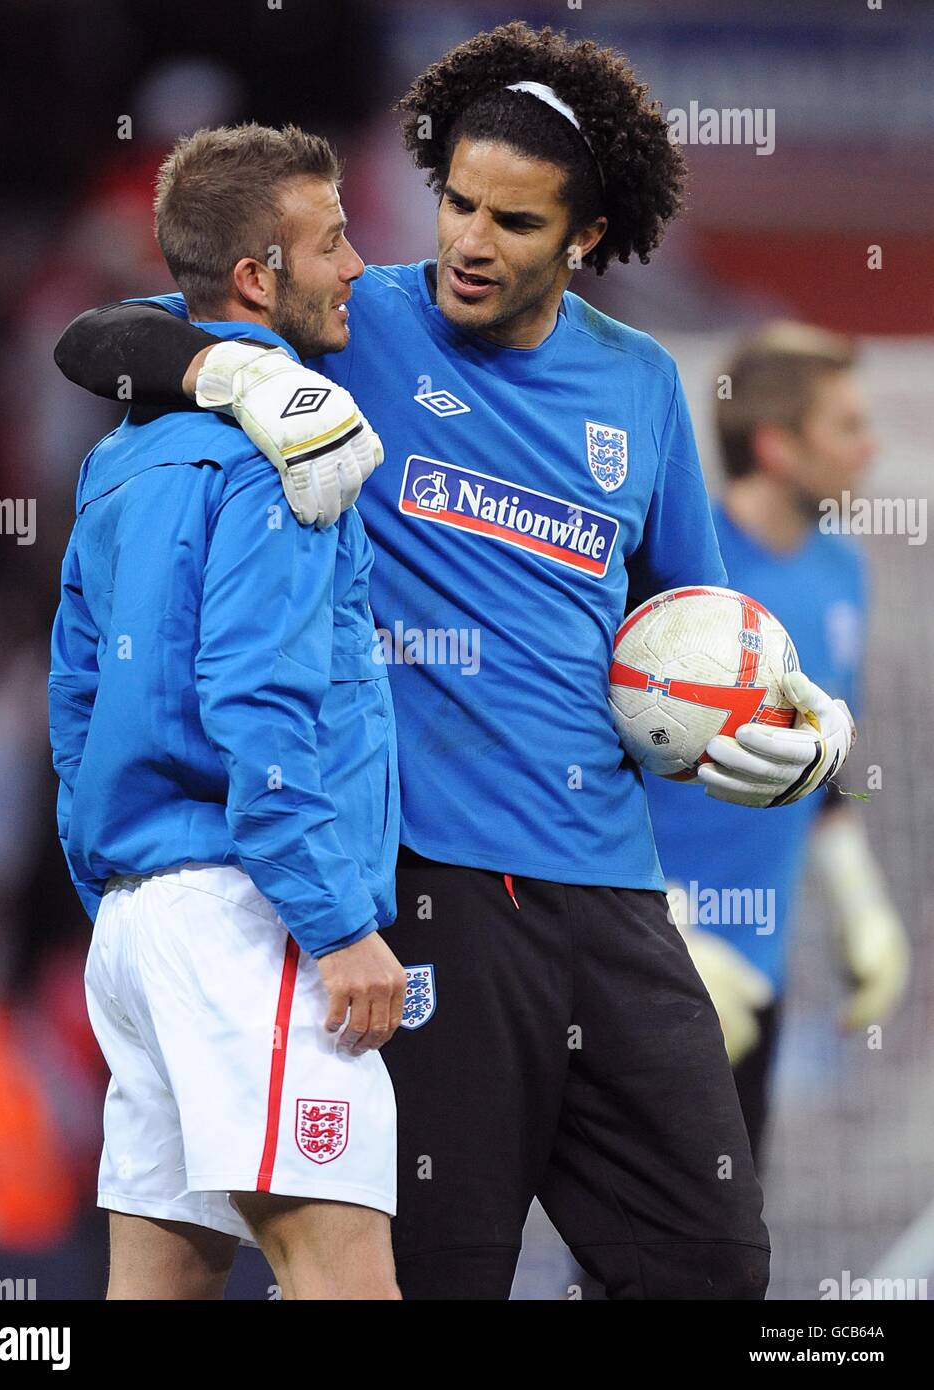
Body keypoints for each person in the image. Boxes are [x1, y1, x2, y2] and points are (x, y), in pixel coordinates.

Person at [54, 23, 856, 1300]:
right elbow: (97, 338)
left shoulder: (641, 383)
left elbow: (697, 614)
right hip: (430, 897)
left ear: (585, 238)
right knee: (423, 1277)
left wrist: (791, 709)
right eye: (456, 203)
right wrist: (232, 376)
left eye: (516, 222)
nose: (469, 242)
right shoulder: (345, 320)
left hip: (612, 894)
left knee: (712, 1268)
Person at [48, 122, 408, 1300]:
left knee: (156, 1288)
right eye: (334, 239)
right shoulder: (288, 448)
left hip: (142, 927)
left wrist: (116, 889)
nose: (358, 263)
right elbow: (260, 701)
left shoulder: (125, 451)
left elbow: (77, 694)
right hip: (249, 916)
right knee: (344, 1278)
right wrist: (336, 917)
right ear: (259, 276)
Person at [646, 323, 909, 1164]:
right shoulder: (680, 583)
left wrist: (860, 904)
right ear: (776, 445)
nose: (868, 449)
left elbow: (827, 770)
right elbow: (588, 764)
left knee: (720, 1244)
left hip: (754, 973)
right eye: (844, 427)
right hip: (646, 956)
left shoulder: (842, 572)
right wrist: (668, 926)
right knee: (637, 1240)